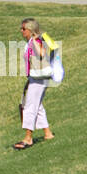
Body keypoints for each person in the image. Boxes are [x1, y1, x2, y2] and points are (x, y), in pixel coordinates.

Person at [13, 18, 56, 150]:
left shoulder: (35, 41)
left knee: (29, 107)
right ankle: (48, 133)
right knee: (37, 105)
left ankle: (28, 138)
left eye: (23, 28)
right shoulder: (31, 42)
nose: (21, 31)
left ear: (30, 30)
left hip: (39, 79)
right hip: (35, 78)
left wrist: (34, 40)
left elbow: (42, 53)